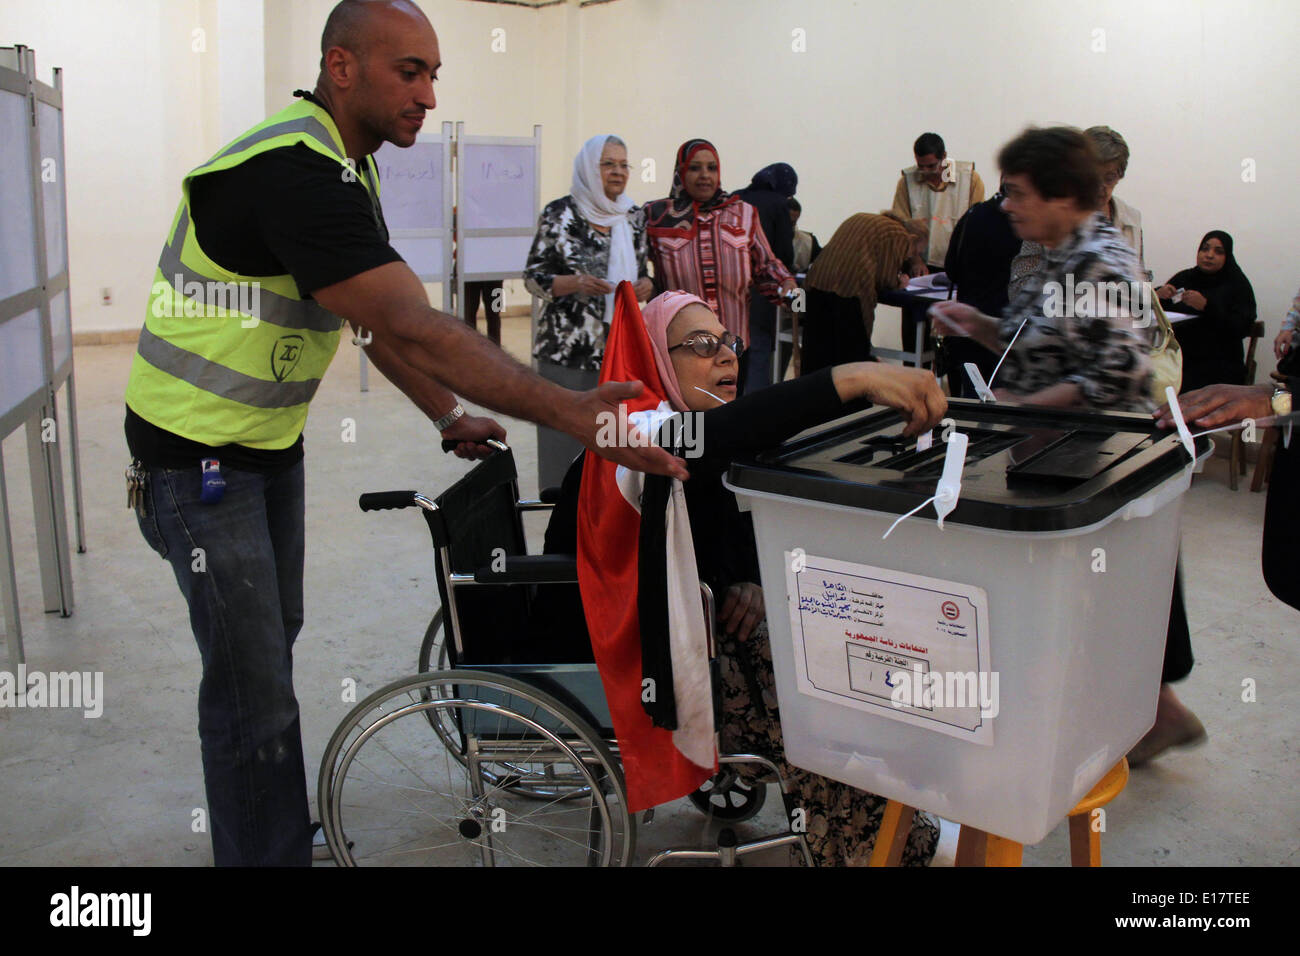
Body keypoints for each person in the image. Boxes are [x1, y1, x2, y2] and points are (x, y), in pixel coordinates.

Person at [123, 0, 682, 867]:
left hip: (265, 450)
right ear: (341, 68)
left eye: (433, 75)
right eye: (408, 72)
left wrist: (446, 412)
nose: (425, 93)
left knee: (271, 648)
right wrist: (571, 410)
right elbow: (413, 323)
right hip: (196, 462)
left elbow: (374, 324)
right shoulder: (293, 172)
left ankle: (267, 829)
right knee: (252, 682)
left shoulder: (351, 168)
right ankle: (262, 854)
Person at [544, 289, 948, 865]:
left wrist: (747, 582)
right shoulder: (637, 438)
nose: (727, 357)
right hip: (631, 657)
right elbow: (722, 442)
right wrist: (852, 379)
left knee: (836, 648)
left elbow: (726, 527)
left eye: (729, 342)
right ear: (657, 361)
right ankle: (866, 849)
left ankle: (888, 839)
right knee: (821, 692)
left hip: (699, 633)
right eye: (702, 346)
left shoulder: (694, 431)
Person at [932, 127, 1201, 767]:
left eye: (1018, 193)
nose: (1005, 206)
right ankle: (1141, 714)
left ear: (1060, 195)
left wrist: (1024, 408)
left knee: (1095, 594)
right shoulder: (1049, 252)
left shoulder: (1100, 260)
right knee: (1081, 597)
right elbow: (1042, 346)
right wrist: (983, 327)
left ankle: (1143, 716)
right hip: (1047, 450)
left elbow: (1117, 377)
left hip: (1091, 459)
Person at [524, 134, 654, 489]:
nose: (618, 171)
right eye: (608, 163)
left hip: (618, 350)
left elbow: (643, 272)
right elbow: (533, 279)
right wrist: (574, 283)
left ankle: (604, 505)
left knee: (611, 436)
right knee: (562, 437)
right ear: (588, 168)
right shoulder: (559, 214)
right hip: (566, 350)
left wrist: (647, 285)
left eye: (623, 164)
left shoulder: (633, 217)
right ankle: (558, 507)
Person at [645, 139, 796, 390]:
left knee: (728, 421)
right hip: (680, 349)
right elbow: (635, 268)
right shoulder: (656, 216)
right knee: (688, 424)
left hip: (732, 348)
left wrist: (792, 292)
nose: (705, 175)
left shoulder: (743, 213)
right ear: (680, 172)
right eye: (694, 168)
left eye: (712, 168)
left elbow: (767, 266)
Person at [1010, 125, 1145, 300]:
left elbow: (1139, 287)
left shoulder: (1131, 220)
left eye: (1109, 177)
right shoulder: (1047, 214)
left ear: (1120, 176)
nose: (1100, 187)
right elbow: (1019, 287)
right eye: (1093, 176)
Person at [890, 133, 985, 361]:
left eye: (931, 165)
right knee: (915, 342)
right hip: (919, 268)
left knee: (955, 339)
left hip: (956, 270)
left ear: (944, 157)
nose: (926, 172)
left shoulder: (969, 179)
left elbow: (976, 224)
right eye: (921, 166)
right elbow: (900, 224)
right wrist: (914, 260)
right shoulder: (908, 180)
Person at [800, 212, 928, 375]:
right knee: (850, 357)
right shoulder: (899, 234)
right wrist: (900, 283)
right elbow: (885, 279)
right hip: (849, 291)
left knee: (818, 353)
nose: (909, 257)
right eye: (914, 252)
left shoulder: (865, 219)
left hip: (817, 283)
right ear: (912, 238)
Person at [941, 184, 1020, 398]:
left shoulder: (973, 214)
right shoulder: (1025, 228)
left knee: (975, 405)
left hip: (972, 324)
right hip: (1003, 329)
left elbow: (952, 267)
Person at [1156, 231, 1258, 393]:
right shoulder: (1186, 277)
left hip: (1220, 366)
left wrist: (1207, 306)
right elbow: (1153, 310)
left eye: (1218, 251)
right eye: (1204, 249)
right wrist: (1157, 294)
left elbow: (1241, 326)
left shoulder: (1237, 284)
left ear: (1227, 256)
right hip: (1180, 362)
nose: (1209, 255)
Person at [735, 163, 798, 393]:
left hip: (733, 288)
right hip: (762, 288)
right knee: (760, 346)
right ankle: (754, 407)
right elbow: (783, 253)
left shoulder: (736, 197)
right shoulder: (778, 204)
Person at [788, 197, 822, 273]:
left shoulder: (808, 241)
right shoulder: (767, 239)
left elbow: (823, 259)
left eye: (794, 222)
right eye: (788, 221)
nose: (792, 225)